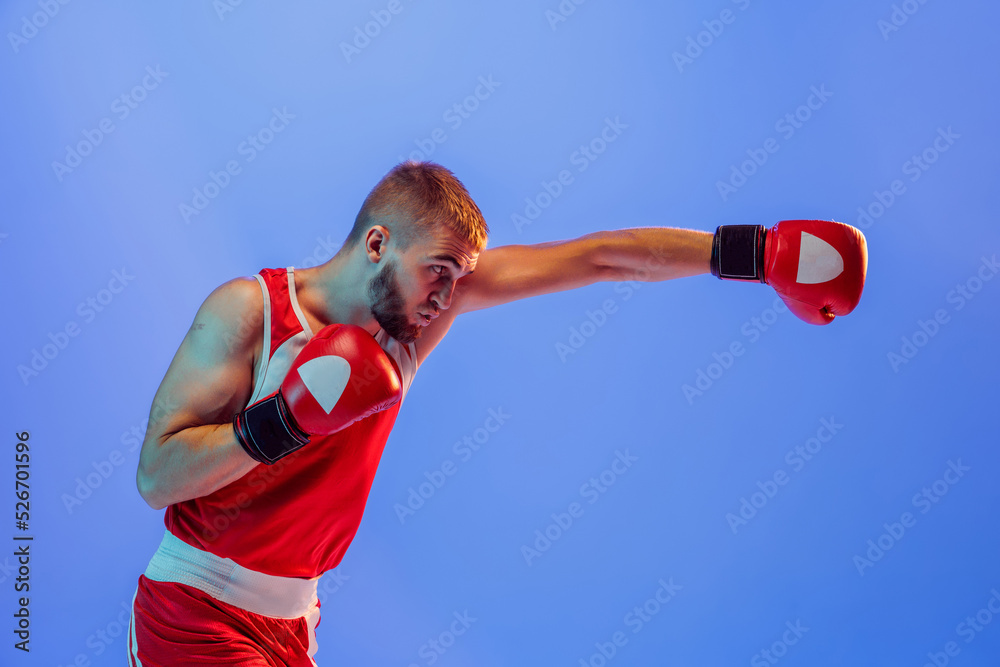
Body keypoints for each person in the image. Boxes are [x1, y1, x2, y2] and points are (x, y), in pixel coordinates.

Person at [127, 160, 867, 665]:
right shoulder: (249, 310)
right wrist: (277, 423)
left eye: (459, 280)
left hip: (293, 620)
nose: (447, 299)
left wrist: (758, 253)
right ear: (378, 242)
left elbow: (597, 257)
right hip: (195, 603)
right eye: (438, 274)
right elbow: (157, 476)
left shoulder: (411, 328)